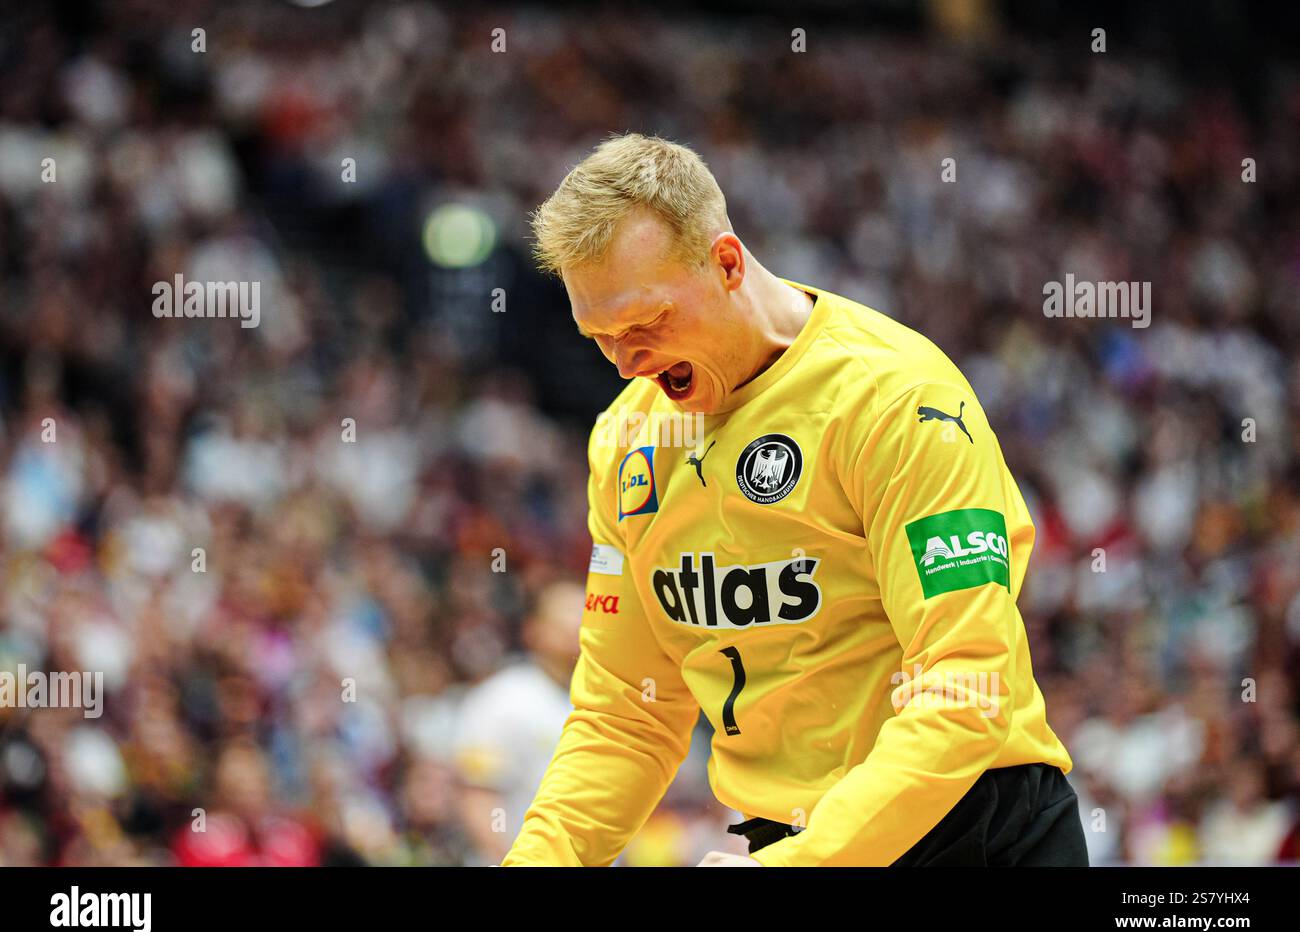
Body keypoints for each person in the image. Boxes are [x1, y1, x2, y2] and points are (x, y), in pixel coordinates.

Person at [501, 133, 1087, 867]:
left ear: (725, 262)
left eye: (646, 324)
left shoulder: (897, 399)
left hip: (973, 833)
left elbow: (965, 688)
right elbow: (628, 716)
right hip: (785, 840)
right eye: (601, 337)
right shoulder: (625, 443)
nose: (626, 363)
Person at [453, 580, 583, 864]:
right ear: (532, 630)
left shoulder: (609, 702)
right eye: (564, 620)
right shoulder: (501, 699)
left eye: (585, 618)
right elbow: (478, 797)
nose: (577, 629)